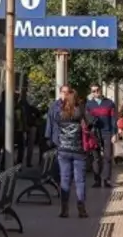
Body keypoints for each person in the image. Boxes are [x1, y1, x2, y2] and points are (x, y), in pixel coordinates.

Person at [49, 87, 92, 218]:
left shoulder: (60, 112)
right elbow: (91, 122)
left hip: (63, 150)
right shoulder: (81, 111)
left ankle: (64, 209)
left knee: (65, 180)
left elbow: (53, 121)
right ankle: (81, 208)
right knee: (80, 181)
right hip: (79, 150)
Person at [86, 84, 118, 187]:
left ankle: (106, 179)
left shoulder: (109, 103)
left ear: (101, 90)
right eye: (93, 91)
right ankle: (97, 180)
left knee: (108, 157)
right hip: (94, 134)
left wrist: (114, 133)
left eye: (97, 90)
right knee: (96, 157)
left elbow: (113, 119)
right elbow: (87, 119)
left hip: (107, 132)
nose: (95, 92)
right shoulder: (89, 105)